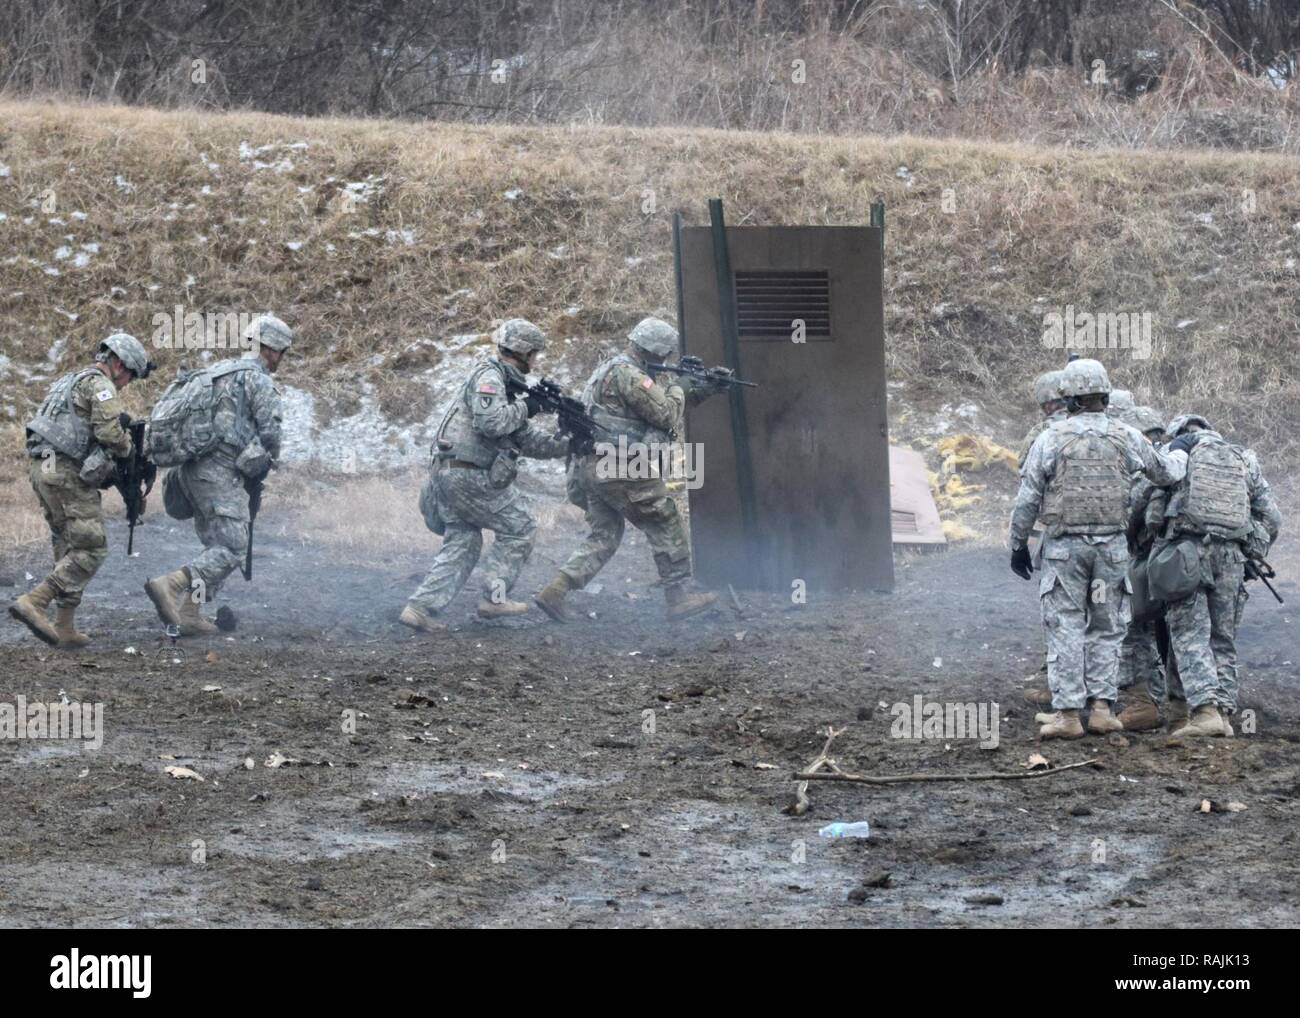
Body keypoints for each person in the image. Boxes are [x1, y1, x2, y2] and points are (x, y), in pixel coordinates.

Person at [1009, 359, 1192, 740]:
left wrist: (1018, 543)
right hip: (1111, 549)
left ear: (1070, 399)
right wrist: (1184, 451)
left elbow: (1028, 496)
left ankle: (1067, 715)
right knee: (1108, 629)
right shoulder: (1126, 435)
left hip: (1064, 549)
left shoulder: (1052, 437)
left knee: (1066, 626)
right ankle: (1103, 710)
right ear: (1105, 396)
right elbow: (1166, 472)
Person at [533, 318, 727, 622]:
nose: (665, 362)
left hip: (591, 464)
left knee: (605, 534)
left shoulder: (610, 369)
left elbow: (651, 405)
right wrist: (681, 387)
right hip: (618, 464)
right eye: (664, 356)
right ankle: (679, 597)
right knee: (664, 518)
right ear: (655, 352)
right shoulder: (631, 376)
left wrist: (698, 389)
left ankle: (556, 591)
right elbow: (664, 413)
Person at [399, 318, 569, 634]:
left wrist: (568, 444)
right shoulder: (490, 378)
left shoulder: (505, 386)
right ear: (525, 353)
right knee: (521, 526)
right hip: (467, 474)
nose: (536, 361)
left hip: (455, 473)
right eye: (535, 354)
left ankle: (420, 608)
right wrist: (528, 407)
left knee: (463, 539)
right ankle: (494, 598)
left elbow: (524, 438)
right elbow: (492, 424)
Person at [145, 314, 290, 635]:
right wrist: (263, 460)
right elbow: (272, 434)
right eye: (281, 351)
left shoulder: (215, 372)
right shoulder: (258, 380)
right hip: (219, 474)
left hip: (189, 472)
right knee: (233, 547)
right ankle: (171, 585)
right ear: (271, 349)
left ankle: (191, 612)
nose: (281, 358)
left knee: (215, 545)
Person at [11, 333, 152, 647]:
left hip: (42, 467)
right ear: (117, 363)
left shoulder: (68, 381)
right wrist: (130, 449)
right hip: (65, 470)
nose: (127, 382)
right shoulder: (100, 385)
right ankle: (36, 601)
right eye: (129, 374)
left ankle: (64, 625)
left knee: (67, 541)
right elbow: (110, 434)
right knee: (91, 547)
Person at [1148, 414, 1282, 739]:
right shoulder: (1243, 458)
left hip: (1188, 554)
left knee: (1189, 632)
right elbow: (1271, 516)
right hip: (1233, 558)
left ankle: (1204, 711)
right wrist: (1250, 547)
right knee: (1222, 637)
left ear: (1179, 434)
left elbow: (1152, 512)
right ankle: (1223, 715)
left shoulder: (1180, 453)